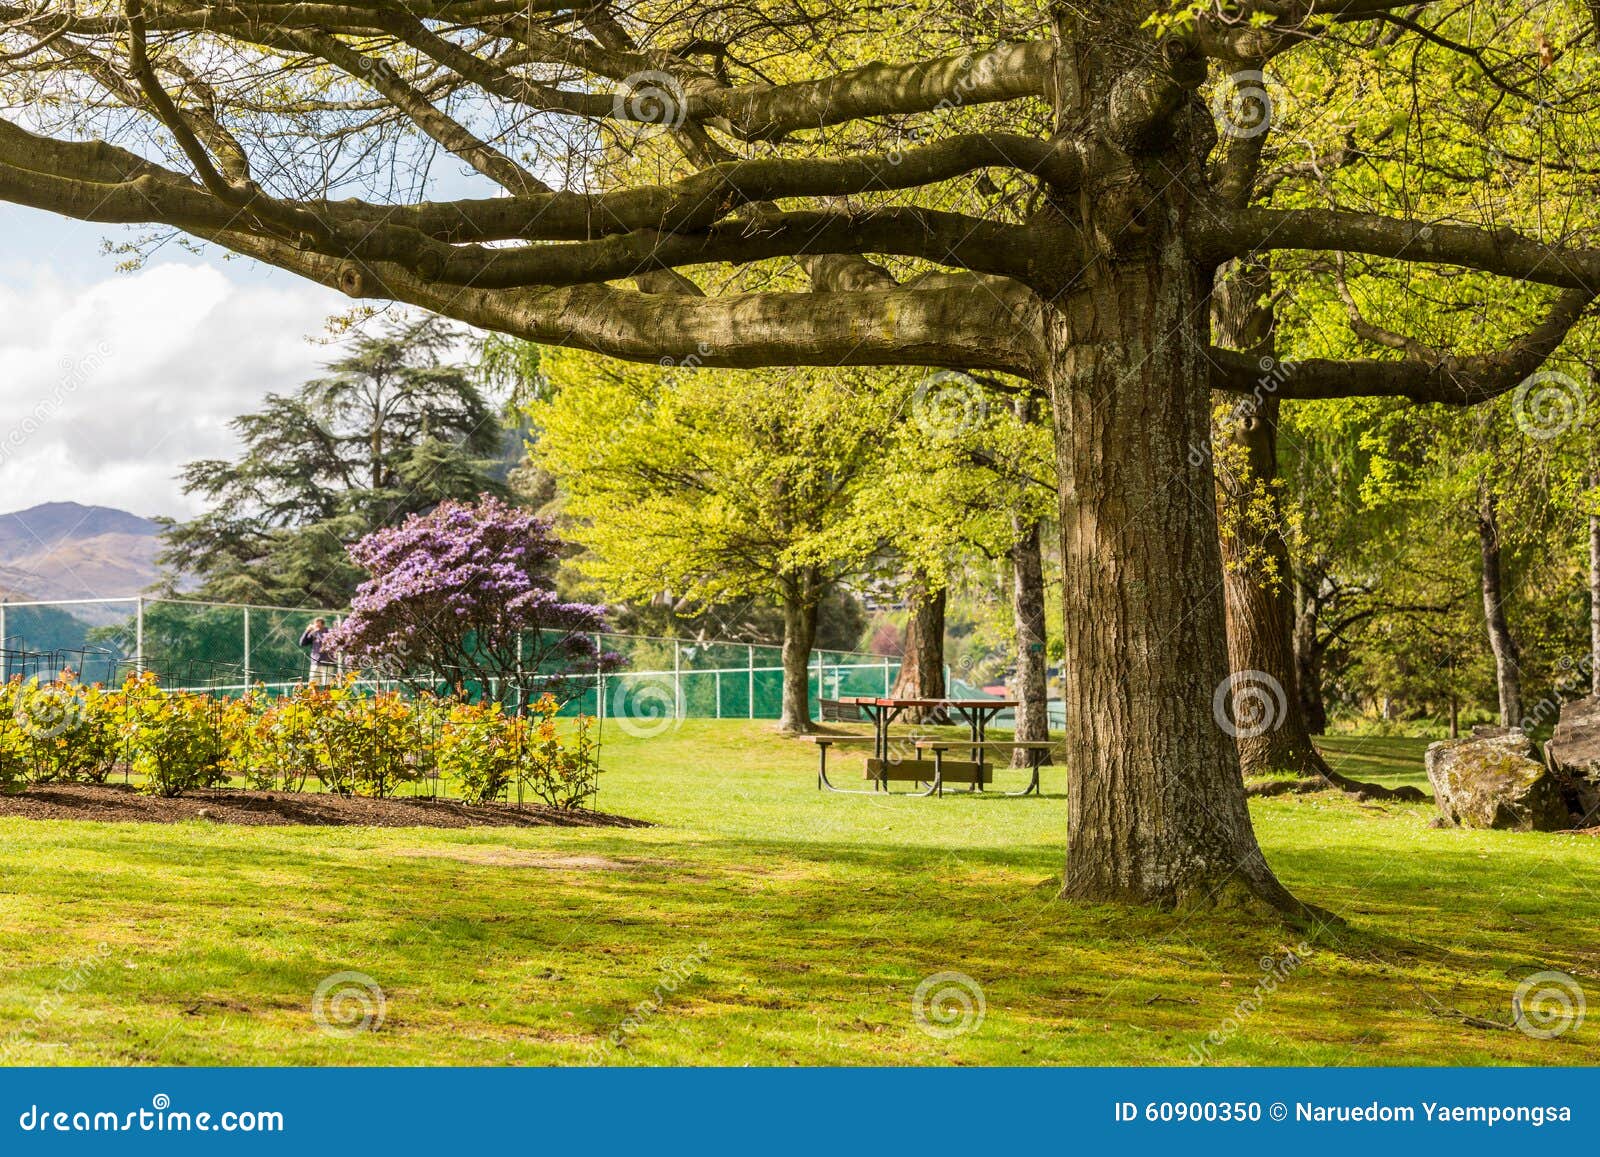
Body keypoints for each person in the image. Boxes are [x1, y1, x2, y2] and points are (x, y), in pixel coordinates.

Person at [299, 617, 338, 686]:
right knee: (313, 684)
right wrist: (307, 631)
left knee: (327, 684)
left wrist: (317, 631)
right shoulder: (313, 633)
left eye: (318, 625)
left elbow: (323, 640)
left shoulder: (328, 632)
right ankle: (315, 696)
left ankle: (327, 696)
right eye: (316, 625)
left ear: (323, 625)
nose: (317, 627)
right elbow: (302, 643)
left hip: (327, 663)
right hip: (315, 663)